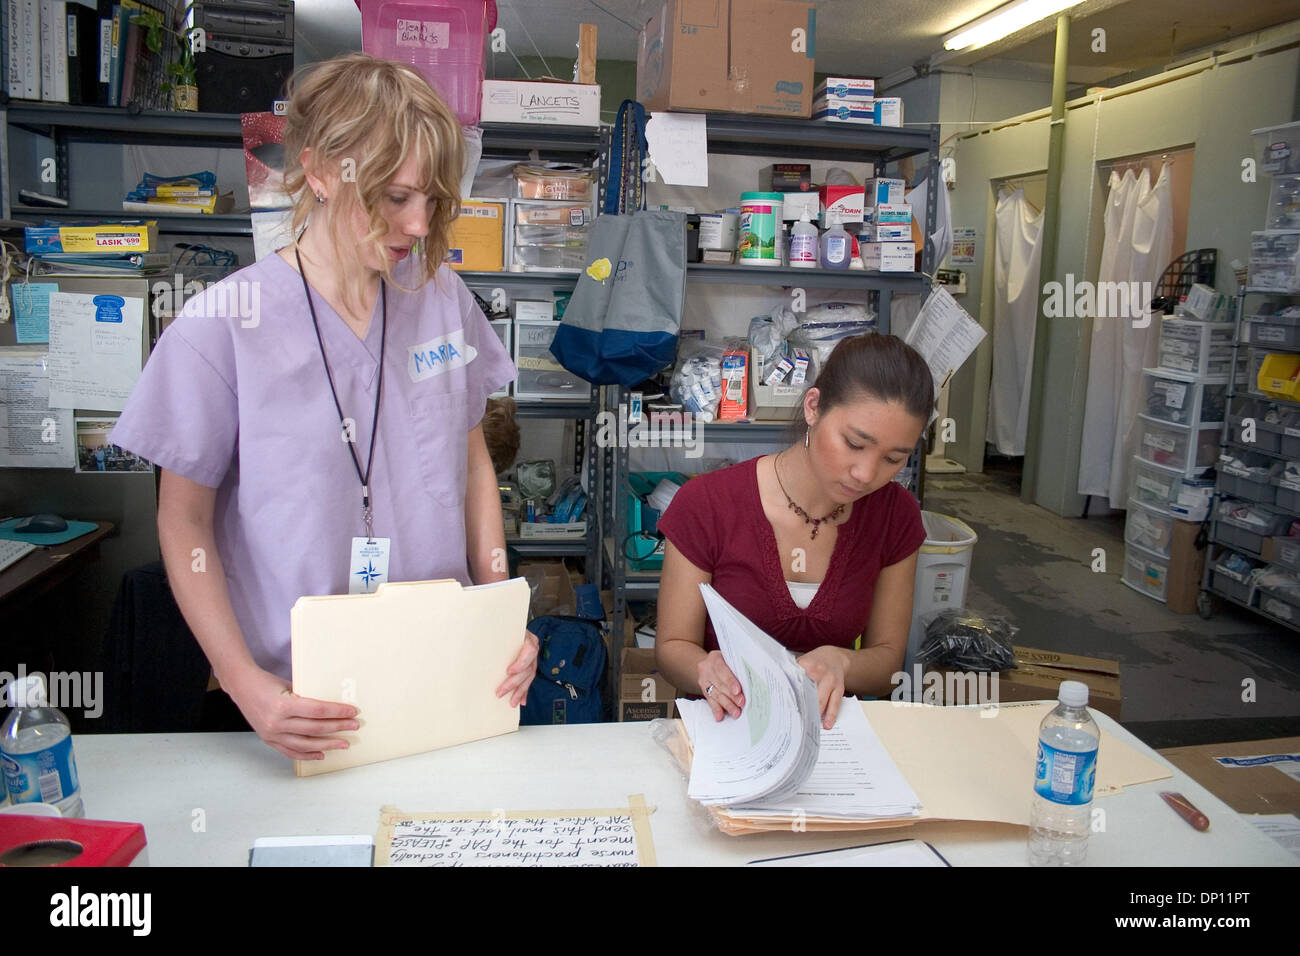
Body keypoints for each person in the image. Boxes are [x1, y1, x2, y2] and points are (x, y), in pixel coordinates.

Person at [111, 53, 537, 762]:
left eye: (433, 198)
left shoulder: (439, 300)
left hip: (446, 670)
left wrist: (500, 610)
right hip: (295, 697)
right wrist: (245, 683)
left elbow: (473, 463)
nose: (420, 223)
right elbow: (182, 519)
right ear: (318, 171)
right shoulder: (225, 325)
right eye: (395, 197)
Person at [655, 333, 933, 730]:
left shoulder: (895, 515)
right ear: (814, 406)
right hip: (728, 728)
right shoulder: (707, 503)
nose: (867, 474)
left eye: (893, 458)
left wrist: (844, 662)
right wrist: (704, 666)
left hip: (830, 734)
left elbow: (887, 659)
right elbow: (671, 649)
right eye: (854, 444)